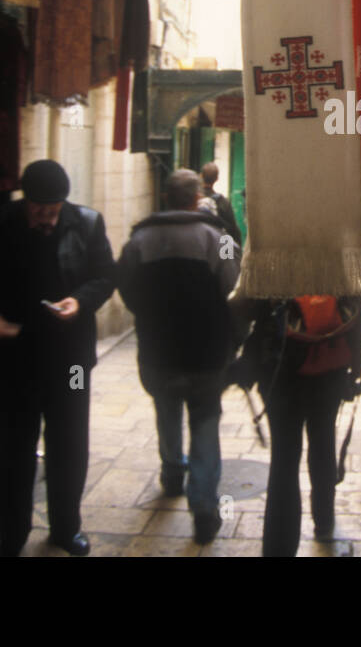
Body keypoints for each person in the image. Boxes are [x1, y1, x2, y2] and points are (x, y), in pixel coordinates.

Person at [0, 159, 115, 557]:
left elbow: (106, 275)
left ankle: (66, 529)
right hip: (12, 358)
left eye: (54, 211)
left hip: (70, 360)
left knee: (69, 443)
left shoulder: (87, 223)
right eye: (39, 211)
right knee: (11, 449)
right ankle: (12, 537)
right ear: (25, 201)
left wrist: (80, 301)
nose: (47, 219)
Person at [118, 168, 241, 544]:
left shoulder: (139, 240)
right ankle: (203, 508)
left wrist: (151, 315)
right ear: (195, 198)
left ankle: (172, 473)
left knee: (166, 406)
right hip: (206, 348)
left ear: (166, 198)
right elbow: (230, 281)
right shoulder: (218, 237)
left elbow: (126, 286)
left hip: (159, 347)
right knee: (205, 419)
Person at [230, 295, 361, 557]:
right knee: (323, 442)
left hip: (280, 367)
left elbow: (242, 306)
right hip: (329, 364)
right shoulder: (338, 264)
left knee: (284, 460)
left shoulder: (268, 265)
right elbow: (355, 306)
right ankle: (324, 521)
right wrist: (357, 365)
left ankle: (279, 549)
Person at [200, 161, 242, 246]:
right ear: (217, 179)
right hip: (216, 247)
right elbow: (233, 231)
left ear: (201, 176)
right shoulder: (223, 202)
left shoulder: (193, 200)